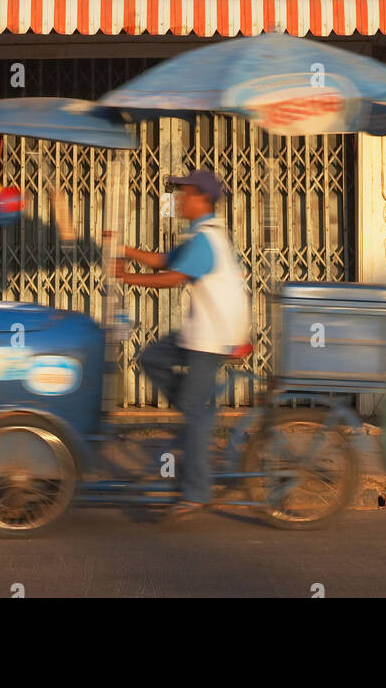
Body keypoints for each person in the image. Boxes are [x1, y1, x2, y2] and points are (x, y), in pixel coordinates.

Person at [114, 168, 250, 523]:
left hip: (213, 334)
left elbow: (175, 278)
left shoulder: (207, 238)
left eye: (184, 192)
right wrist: (124, 250)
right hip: (200, 330)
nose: (179, 198)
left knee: (193, 412)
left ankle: (195, 493)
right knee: (152, 357)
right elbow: (164, 260)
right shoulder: (199, 235)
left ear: (201, 199)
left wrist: (128, 277)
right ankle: (196, 414)